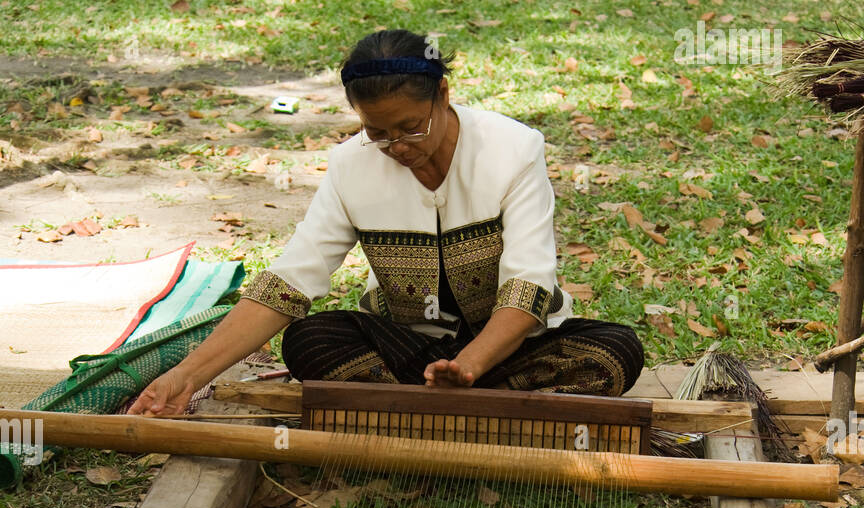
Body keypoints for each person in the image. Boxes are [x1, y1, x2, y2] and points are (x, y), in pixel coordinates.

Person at [129, 29, 643, 419]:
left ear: (443, 95)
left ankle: (410, 412)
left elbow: (529, 285)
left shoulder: (513, 150)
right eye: (377, 132)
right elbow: (289, 283)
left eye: (410, 127)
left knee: (615, 351)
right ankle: (467, 411)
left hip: (508, 350)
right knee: (311, 340)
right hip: (411, 349)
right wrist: (185, 378)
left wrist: (468, 367)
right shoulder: (351, 165)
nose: (397, 146)